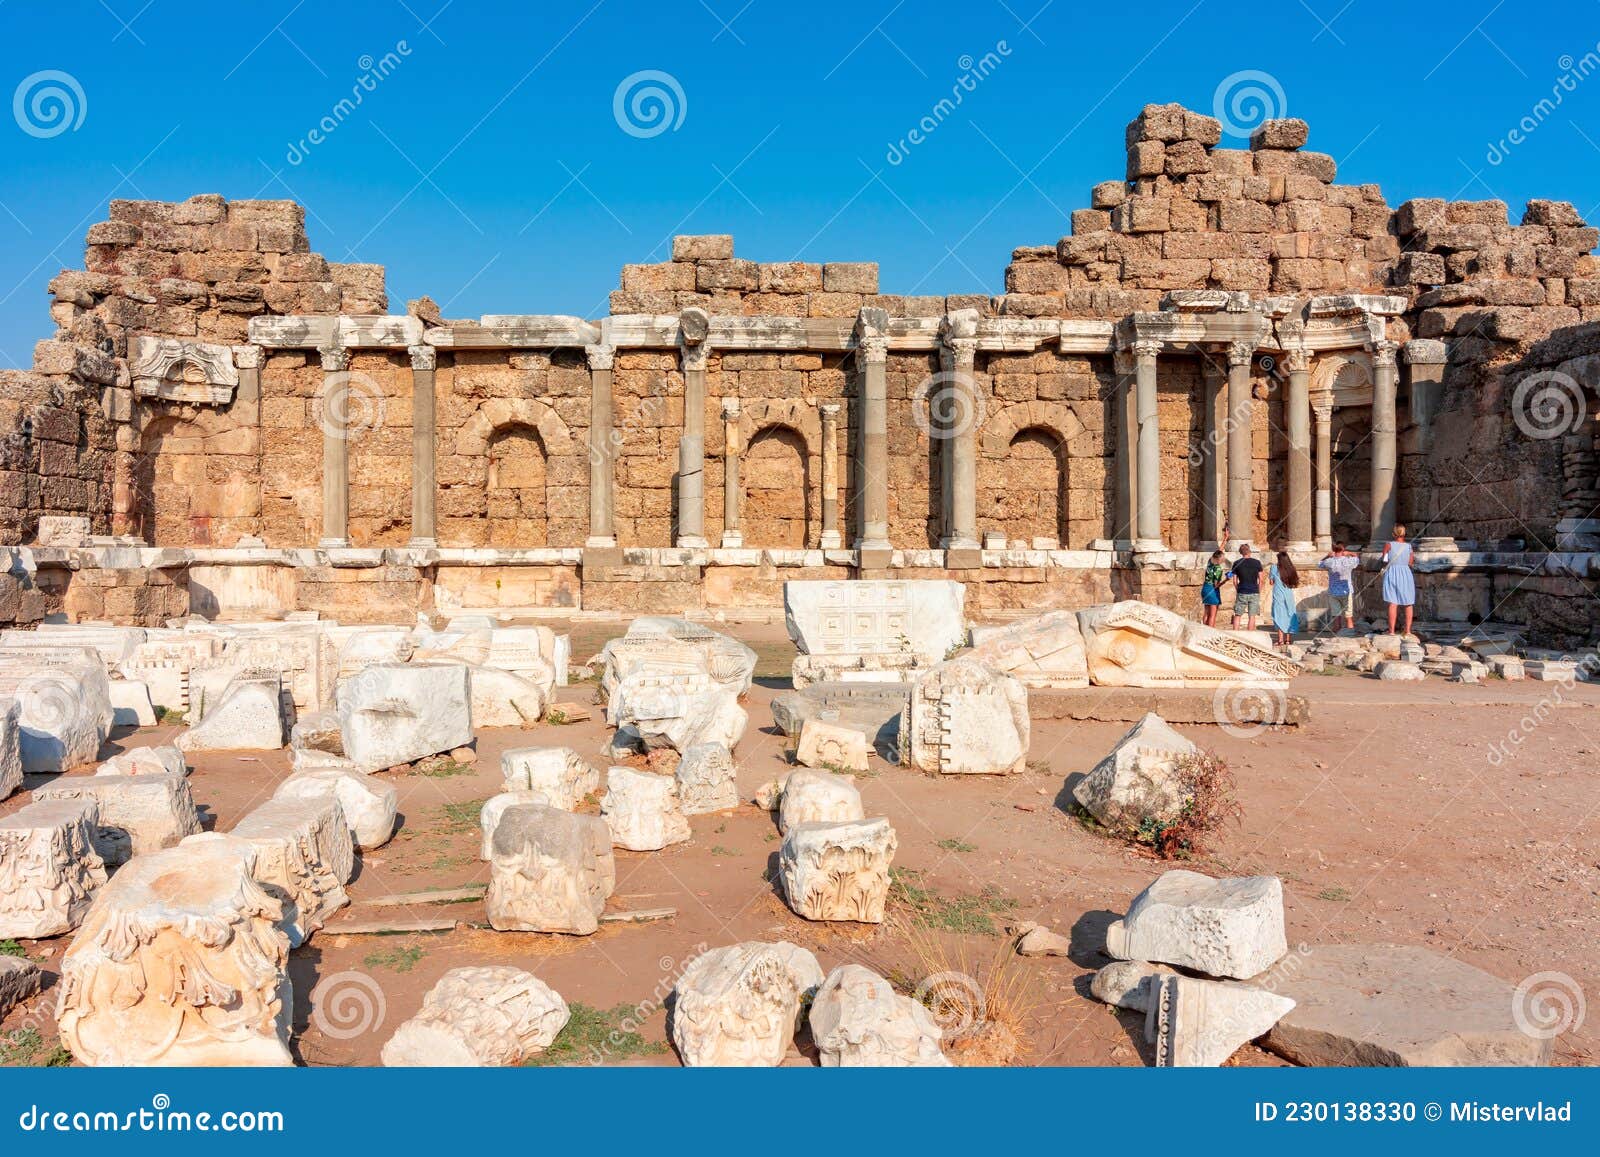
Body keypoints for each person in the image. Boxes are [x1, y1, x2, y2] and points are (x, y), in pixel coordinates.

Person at [1382, 524, 1416, 636]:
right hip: (1406, 573)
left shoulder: (1388, 545)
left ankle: (1391, 631)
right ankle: (1408, 631)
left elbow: (1385, 560)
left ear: (1393, 534)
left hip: (1392, 572)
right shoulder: (1409, 546)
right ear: (1404, 533)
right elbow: (1411, 562)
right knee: (1408, 603)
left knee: (1393, 603)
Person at [1319, 541, 1360, 631]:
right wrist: (1350, 553)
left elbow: (1319, 564)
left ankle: (1336, 636)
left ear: (1333, 550)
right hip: (1346, 591)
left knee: (1336, 616)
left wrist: (1328, 556)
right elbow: (1357, 558)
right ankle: (1350, 635)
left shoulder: (1329, 561)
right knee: (1348, 616)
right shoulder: (1348, 561)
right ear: (1343, 549)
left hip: (1333, 592)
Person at [1267, 551, 1301, 647]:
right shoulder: (1291, 569)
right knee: (1289, 614)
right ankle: (1288, 640)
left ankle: (1281, 640)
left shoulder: (1274, 567)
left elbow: (1271, 582)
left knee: (1278, 615)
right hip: (1288, 594)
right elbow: (1294, 582)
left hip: (1278, 594)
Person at [1228, 543, 1264, 631]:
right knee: (1252, 616)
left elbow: (1234, 580)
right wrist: (1258, 590)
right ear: (1249, 551)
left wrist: (1238, 589)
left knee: (1238, 615)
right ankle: (1250, 635)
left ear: (1241, 553)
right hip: (1254, 591)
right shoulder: (1257, 563)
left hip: (1242, 591)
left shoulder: (1236, 563)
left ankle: (1235, 635)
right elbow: (1261, 579)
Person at [1200, 550, 1228, 627]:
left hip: (1205, 589)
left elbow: (1217, 552)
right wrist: (1226, 580)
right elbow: (1216, 585)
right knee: (1212, 615)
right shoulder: (1218, 569)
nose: (1224, 559)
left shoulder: (1210, 563)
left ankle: (1204, 630)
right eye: (1223, 558)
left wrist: (1224, 540)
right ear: (1219, 559)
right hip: (1212, 591)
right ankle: (1211, 633)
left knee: (1206, 612)